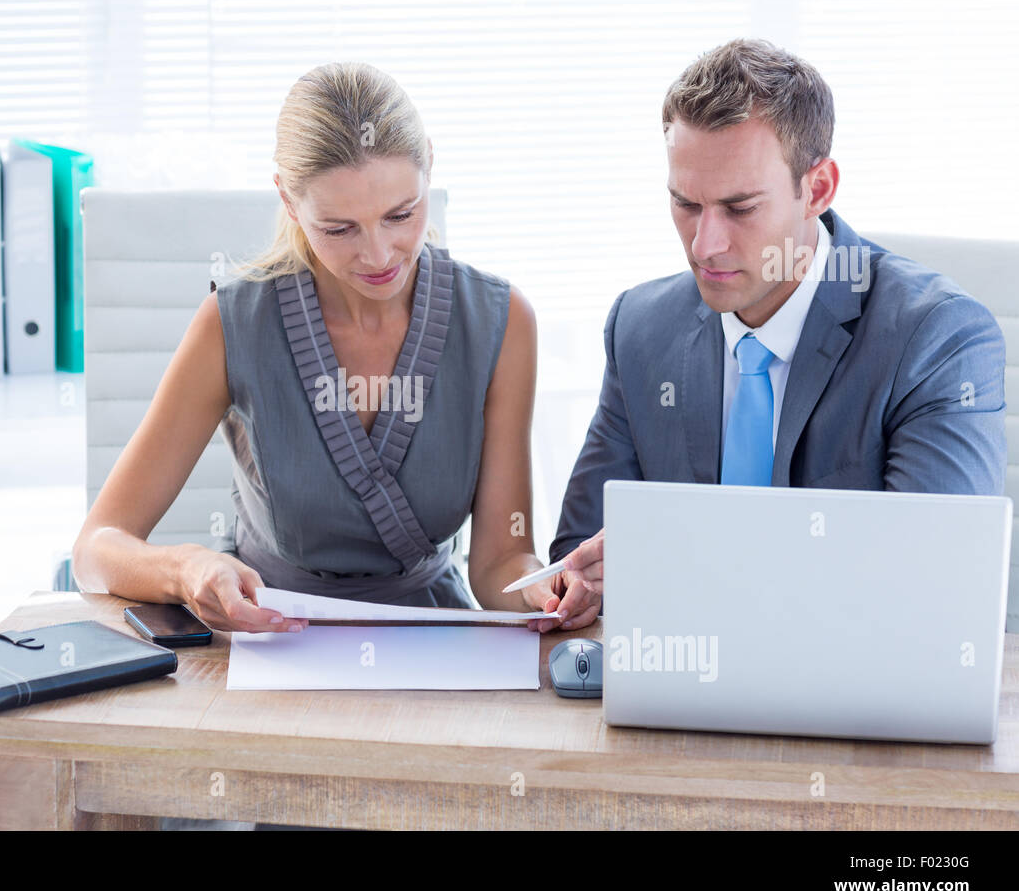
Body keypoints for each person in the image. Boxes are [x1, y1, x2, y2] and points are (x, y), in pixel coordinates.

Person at [72, 62, 591, 633]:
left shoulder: (501, 321)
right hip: (268, 634)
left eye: (401, 215)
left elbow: (499, 563)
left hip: (434, 641)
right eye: (339, 228)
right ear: (290, 203)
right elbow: (96, 550)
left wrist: (540, 587)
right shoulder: (232, 325)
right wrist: (185, 566)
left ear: (429, 171)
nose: (379, 255)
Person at [549, 38, 1006, 625]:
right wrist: (581, 588)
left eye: (739, 209)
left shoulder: (937, 337)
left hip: (854, 700)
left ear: (816, 190)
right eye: (686, 203)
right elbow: (577, 556)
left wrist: (681, 556)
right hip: (677, 686)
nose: (703, 245)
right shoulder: (640, 327)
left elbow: (938, 583)